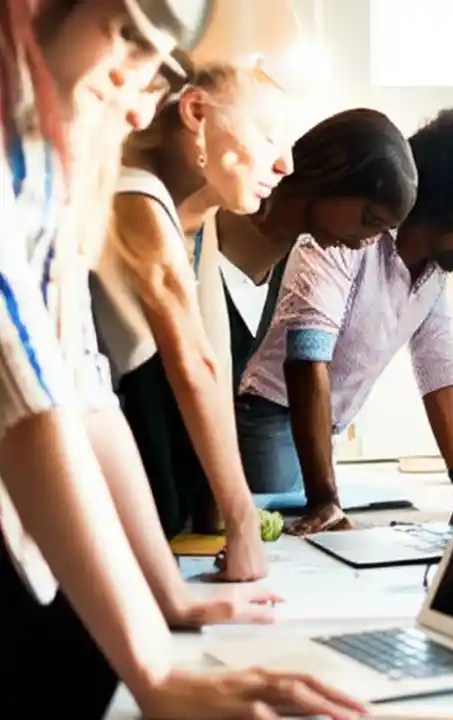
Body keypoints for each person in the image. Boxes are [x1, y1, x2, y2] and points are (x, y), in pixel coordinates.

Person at [0, 0, 362, 717]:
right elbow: (26, 393)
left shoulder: (53, 160)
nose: (139, 106)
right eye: (131, 40)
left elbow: (79, 384)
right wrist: (153, 670)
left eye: (157, 61)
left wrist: (163, 593)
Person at [237, 108, 453, 534]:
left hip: (323, 423)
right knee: (286, 546)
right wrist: (325, 499)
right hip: (270, 414)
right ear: (442, 205)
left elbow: (437, 364)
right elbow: (307, 357)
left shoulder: (434, 273)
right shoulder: (345, 236)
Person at [92, 59, 293, 581]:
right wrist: (242, 521)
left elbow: (215, 367)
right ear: (197, 112)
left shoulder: (193, 217)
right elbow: (193, 362)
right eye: (270, 137)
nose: (285, 165)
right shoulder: (132, 191)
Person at [218, 106, 418, 384]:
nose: (365, 243)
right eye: (368, 220)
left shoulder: (284, 261)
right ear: (335, 172)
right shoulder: (219, 216)